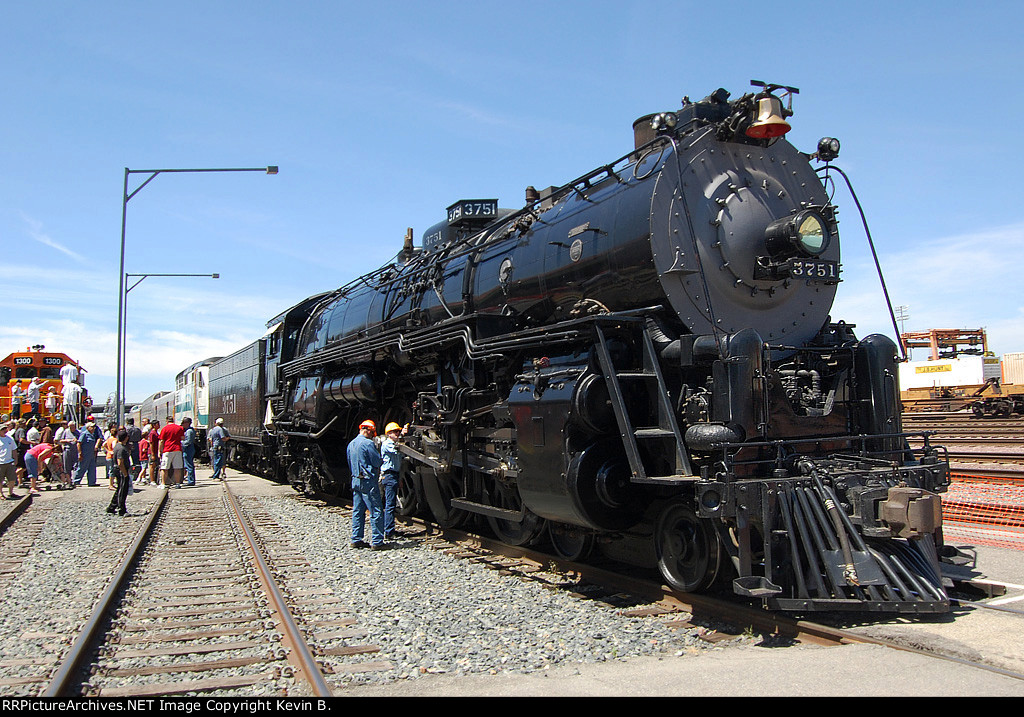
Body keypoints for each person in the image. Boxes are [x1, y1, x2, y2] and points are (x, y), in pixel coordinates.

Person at [346, 419, 385, 550]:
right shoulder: (368, 444)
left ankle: (356, 539)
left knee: (358, 510)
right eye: (372, 433)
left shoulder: (351, 444)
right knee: (375, 510)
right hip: (368, 481)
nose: (372, 436)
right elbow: (376, 462)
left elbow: (349, 462)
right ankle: (377, 541)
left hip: (355, 480)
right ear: (368, 431)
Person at [379, 422, 405, 540]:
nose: (397, 434)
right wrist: (403, 436)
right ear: (389, 434)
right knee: (390, 504)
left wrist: (399, 478)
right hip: (389, 475)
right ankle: (389, 532)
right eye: (395, 432)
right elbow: (398, 450)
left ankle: (389, 529)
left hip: (394, 475)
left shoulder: (393, 443)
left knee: (391, 503)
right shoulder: (388, 444)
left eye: (398, 432)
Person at [106, 429, 132, 516]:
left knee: (119, 489)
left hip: (119, 470)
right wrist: (125, 473)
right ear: (126, 438)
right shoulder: (121, 448)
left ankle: (112, 507)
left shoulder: (118, 446)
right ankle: (122, 509)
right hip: (121, 471)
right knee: (122, 491)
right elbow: (120, 462)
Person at [72, 420, 103, 487]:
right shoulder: (84, 434)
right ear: (88, 427)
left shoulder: (92, 435)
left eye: (94, 427)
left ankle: (92, 482)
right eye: (92, 427)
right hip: (85, 454)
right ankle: (76, 481)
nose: (93, 428)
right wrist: (80, 453)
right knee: (82, 467)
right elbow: (79, 443)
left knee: (92, 468)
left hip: (91, 454)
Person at [158, 417, 185, 488]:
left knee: (164, 468)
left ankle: (163, 484)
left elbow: (161, 441)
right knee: (177, 468)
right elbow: (183, 438)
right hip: (177, 449)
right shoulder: (180, 428)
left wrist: (160, 451)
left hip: (167, 450)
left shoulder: (164, 429)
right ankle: (178, 483)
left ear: (167, 421)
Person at [0, 423, 19, 500]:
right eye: (2, 429)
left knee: (12, 479)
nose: (5, 430)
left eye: (5, 429)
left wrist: (16, 459)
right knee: (0, 479)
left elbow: (14, 450)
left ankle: (10, 492)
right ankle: (1, 494)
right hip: (0, 462)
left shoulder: (10, 438)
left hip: (9, 461)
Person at [180, 417, 197, 486]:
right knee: (188, 464)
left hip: (188, 449)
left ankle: (191, 481)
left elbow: (188, 441)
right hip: (189, 448)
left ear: (187, 423)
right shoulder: (189, 430)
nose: (183, 425)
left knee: (189, 465)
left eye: (183, 423)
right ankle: (190, 479)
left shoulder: (189, 431)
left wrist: (180, 443)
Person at [146, 420, 161, 485]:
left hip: (156, 451)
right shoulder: (152, 433)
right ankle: (152, 480)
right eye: (158, 424)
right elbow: (151, 443)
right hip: (153, 452)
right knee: (152, 465)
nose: (159, 425)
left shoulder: (156, 432)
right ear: (154, 425)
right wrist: (152, 454)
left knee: (156, 465)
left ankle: (155, 479)